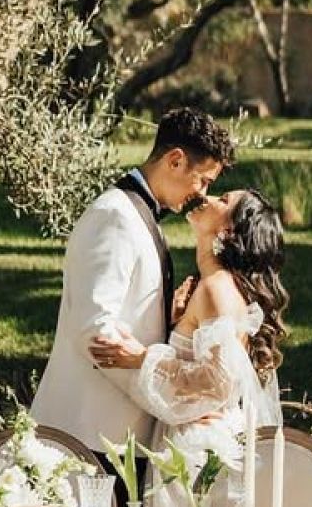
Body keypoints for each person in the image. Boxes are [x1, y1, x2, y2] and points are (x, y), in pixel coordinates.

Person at [30, 106, 235, 456]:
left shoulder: (136, 215)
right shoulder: (114, 215)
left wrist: (164, 316)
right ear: (174, 160)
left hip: (121, 433)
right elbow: (95, 331)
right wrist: (171, 399)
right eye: (203, 179)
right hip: (90, 430)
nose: (201, 193)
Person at [88, 185, 287, 457]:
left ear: (228, 232)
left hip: (201, 446)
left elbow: (219, 381)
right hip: (190, 437)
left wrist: (143, 358)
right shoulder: (209, 284)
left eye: (224, 200)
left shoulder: (217, 288)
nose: (209, 197)